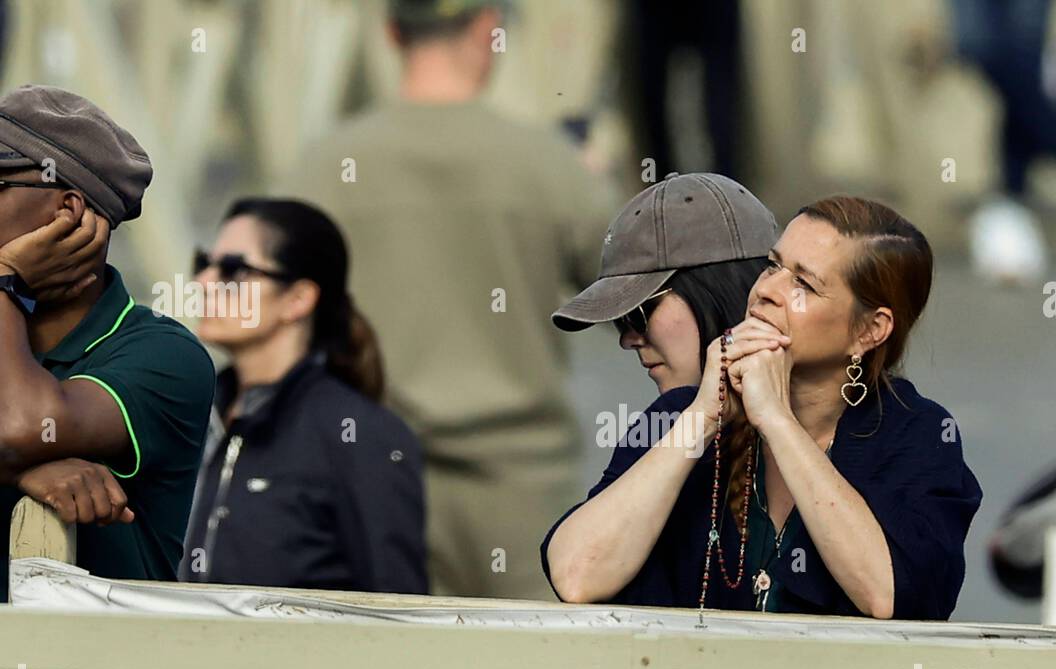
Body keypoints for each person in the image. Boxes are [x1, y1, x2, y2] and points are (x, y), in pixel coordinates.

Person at [289, 0, 617, 600]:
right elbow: (633, 289)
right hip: (524, 488)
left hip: (377, 483)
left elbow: (275, 327)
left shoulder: (327, 167)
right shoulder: (547, 164)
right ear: (487, 29)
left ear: (391, 34)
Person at [543, 195, 982, 619]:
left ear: (869, 330)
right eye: (773, 265)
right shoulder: (682, 414)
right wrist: (703, 417)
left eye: (803, 284)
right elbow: (576, 575)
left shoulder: (916, 432)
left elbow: (885, 592)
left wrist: (777, 420)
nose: (768, 290)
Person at [0, 85, 215, 601]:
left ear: (67, 211)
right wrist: (22, 469)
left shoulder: (166, 355)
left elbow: (19, 426)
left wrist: (6, 277)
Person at [179, 199, 427, 594]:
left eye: (232, 269)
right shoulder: (191, 416)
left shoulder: (361, 435)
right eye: (204, 263)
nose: (204, 283)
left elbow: (397, 607)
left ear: (298, 299)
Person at [552, 171, 779, 391]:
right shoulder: (671, 422)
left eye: (638, 313)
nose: (627, 340)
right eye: (621, 320)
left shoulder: (805, 419)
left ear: (720, 291)